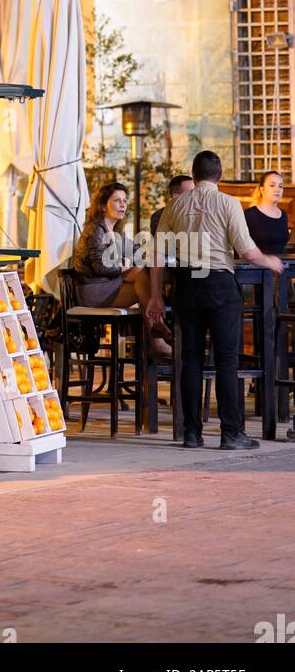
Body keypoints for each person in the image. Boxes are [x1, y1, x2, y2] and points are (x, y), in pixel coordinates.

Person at [147, 149, 283, 450]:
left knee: (190, 359)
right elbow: (247, 251)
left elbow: (156, 252)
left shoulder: (176, 205)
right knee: (225, 360)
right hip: (219, 283)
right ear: (219, 175)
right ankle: (230, 433)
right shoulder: (228, 203)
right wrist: (269, 261)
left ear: (193, 176)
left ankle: (192, 433)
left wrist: (156, 296)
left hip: (186, 284)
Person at [73, 181, 171, 357]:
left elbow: (136, 251)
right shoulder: (95, 230)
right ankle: (156, 333)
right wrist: (122, 266)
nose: (123, 204)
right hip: (92, 290)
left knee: (142, 275)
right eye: (117, 200)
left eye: (125, 201)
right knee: (143, 278)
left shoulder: (115, 231)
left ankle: (156, 337)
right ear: (103, 206)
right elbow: (100, 266)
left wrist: (135, 260)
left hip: (109, 284)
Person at [244, 171, 289, 256]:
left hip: (281, 266)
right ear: (262, 189)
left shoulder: (283, 215)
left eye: (280, 186)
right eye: (272, 185)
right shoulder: (249, 215)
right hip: (256, 267)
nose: (277, 189)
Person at [149, 174, 195, 238]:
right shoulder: (158, 216)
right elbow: (162, 244)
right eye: (190, 193)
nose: (195, 196)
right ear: (176, 197)